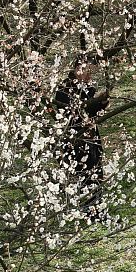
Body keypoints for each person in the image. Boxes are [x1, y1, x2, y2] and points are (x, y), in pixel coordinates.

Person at [52, 64, 109, 216]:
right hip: (76, 138)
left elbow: (92, 113)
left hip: (91, 136)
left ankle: (97, 207)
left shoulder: (89, 88)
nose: (90, 74)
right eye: (86, 70)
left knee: (97, 170)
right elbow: (69, 114)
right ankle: (88, 209)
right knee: (85, 171)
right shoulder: (64, 89)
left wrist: (102, 103)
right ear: (77, 70)